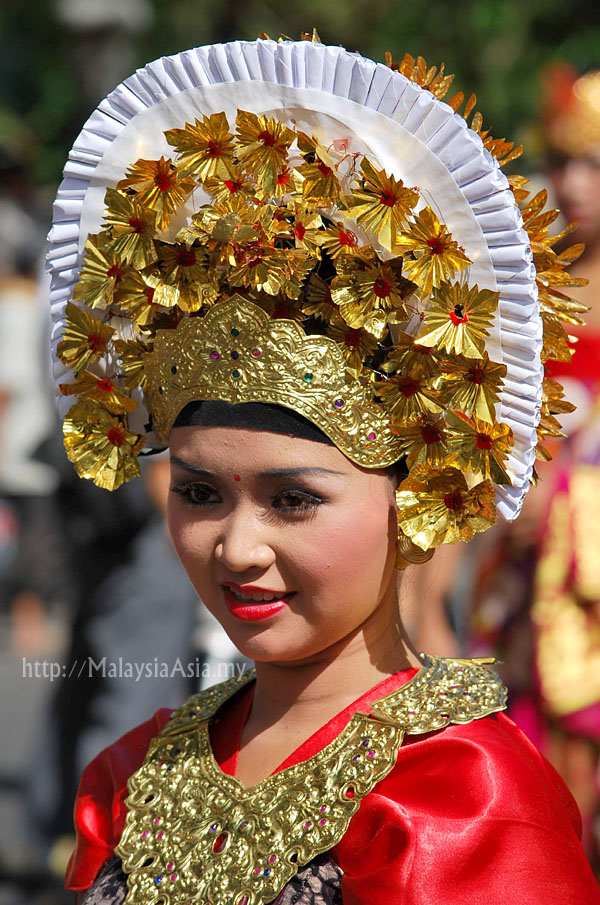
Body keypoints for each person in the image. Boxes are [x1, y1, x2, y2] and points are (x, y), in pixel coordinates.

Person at [45, 37, 600, 903]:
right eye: (198, 492)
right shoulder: (134, 769)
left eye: (293, 499)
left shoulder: (466, 799)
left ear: (416, 494)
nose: (235, 547)